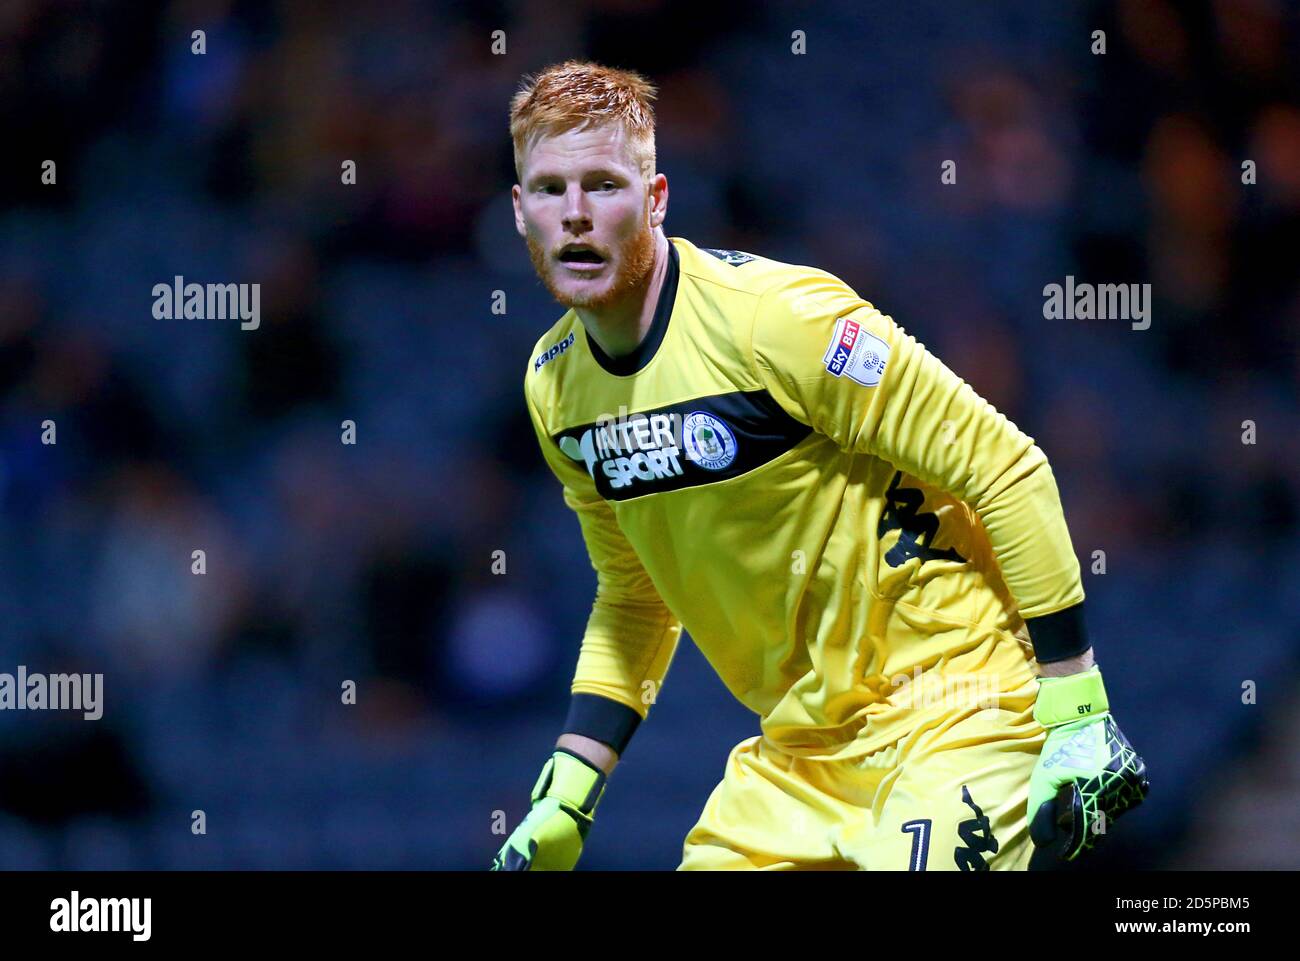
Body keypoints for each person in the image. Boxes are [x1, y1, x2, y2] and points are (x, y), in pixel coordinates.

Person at [493, 60, 1147, 871]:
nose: (578, 216)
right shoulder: (554, 384)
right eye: (551, 191)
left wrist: (1076, 705)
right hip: (798, 758)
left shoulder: (782, 321)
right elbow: (634, 592)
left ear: (656, 200)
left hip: (955, 708)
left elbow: (1004, 465)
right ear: (520, 211)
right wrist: (570, 786)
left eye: (603, 184)